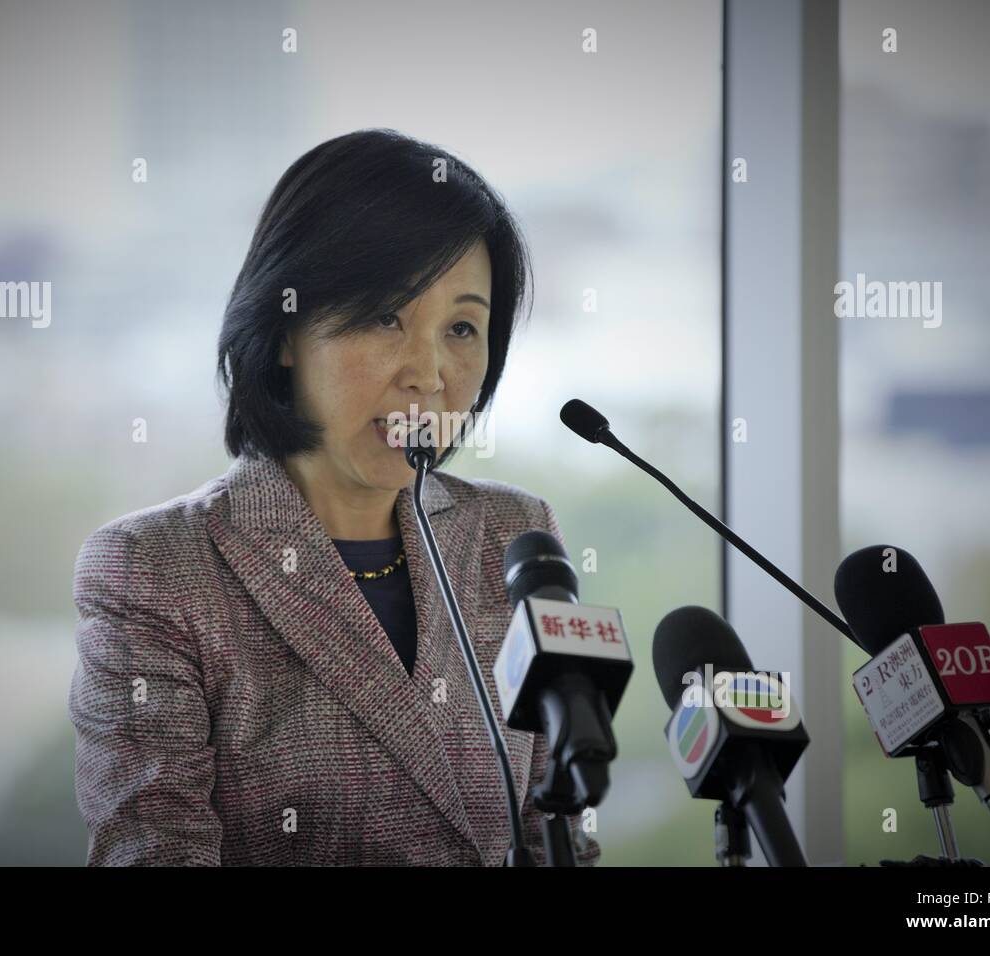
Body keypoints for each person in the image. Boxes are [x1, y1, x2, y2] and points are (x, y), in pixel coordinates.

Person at [68, 128, 600, 866]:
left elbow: (557, 829)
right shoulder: (155, 569)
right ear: (286, 329)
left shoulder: (515, 537)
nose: (429, 372)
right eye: (386, 316)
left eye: (462, 327)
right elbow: (153, 852)